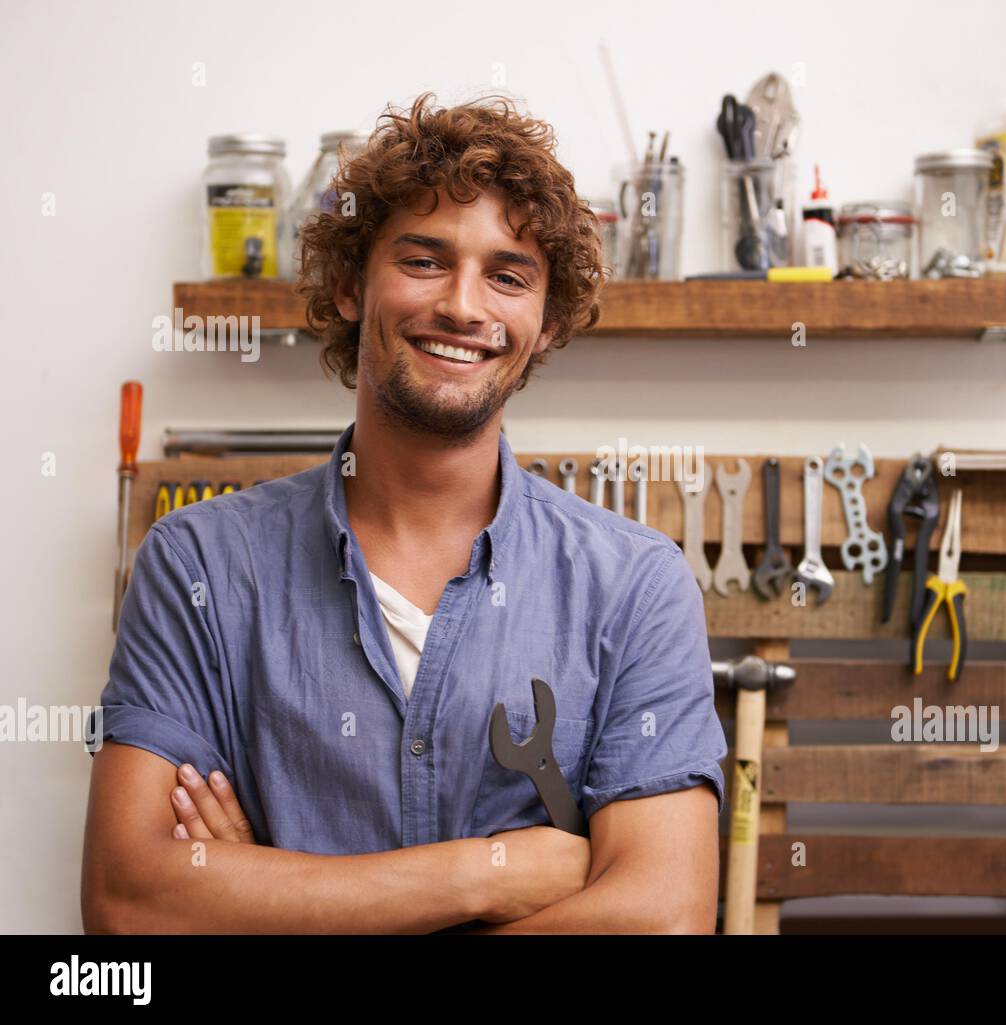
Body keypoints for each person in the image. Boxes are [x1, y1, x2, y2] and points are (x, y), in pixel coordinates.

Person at [81, 93, 727, 934]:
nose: (464, 305)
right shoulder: (198, 565)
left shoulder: (636, 585)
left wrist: (267, 899)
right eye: (423, 260)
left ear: (548, 321)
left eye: (507, 275)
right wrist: (485, 877)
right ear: (351, 284)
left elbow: (662, 919)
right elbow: (130, 905)